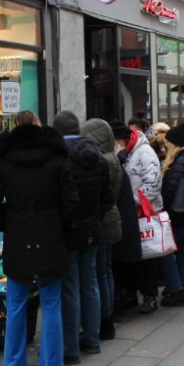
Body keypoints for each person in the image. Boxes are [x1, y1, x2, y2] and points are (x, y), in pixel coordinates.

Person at [0, 111, 79, 366]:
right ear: (39, 127)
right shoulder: (57, 159)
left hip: (18, 235)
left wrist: (7, 221)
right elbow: (71, 201)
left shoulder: (2, 161)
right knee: (51, 304)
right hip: (50, 235)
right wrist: (62, 226)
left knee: (15, 303)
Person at [52, 111, 113, 364]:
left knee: (70, 288)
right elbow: (107, 198)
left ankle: (71, 348)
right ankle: (92, 339)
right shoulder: (98, 157)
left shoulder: (59, 159)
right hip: (92, 230)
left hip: (68, 232)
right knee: (91, 284)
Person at [79, 118, 123, 341]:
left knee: (98, 274)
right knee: (106, 272)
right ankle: (108, 318)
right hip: (111, 219)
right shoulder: (113, 158)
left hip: (101, 221)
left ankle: (102, 320)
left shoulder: (99, 161)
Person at [115, 121, 163, 314]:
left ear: (123, 139)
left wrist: (130, 200)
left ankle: (150, 296)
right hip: (129, 213)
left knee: (147, 256)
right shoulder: (123, 154)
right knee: (131, 256)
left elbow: (153, 184)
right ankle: (131, 293)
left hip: (144, 211)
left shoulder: (144, 152)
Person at [158, 122, 184, 306]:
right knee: (183, 250)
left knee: (165, 251)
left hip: (176, 214)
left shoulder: (180, 161)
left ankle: (176, 289)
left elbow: (171, 189)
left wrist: (162, 209)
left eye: (168, 143)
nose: (165, 145)